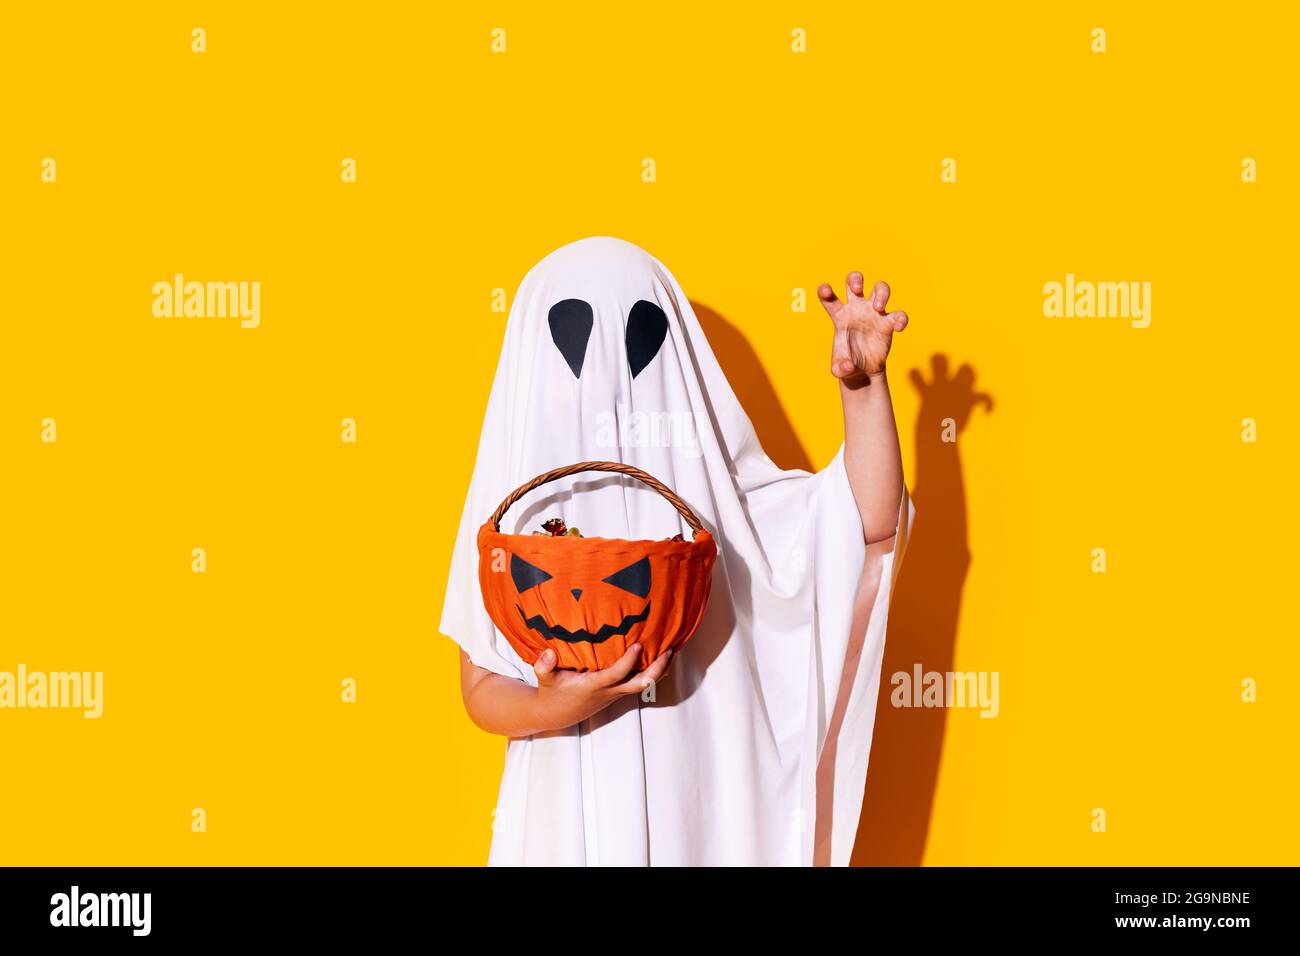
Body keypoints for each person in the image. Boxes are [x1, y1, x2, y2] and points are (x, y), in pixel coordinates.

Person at [440, 236, 913, 865]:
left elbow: (866, 524)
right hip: (566, 817)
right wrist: (549, 703)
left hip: (705, 814)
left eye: (640, 332)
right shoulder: (515, 516)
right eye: (576, 335)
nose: (607, 370)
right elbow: (479, 686)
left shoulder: (722, 506)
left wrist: (863, 388)